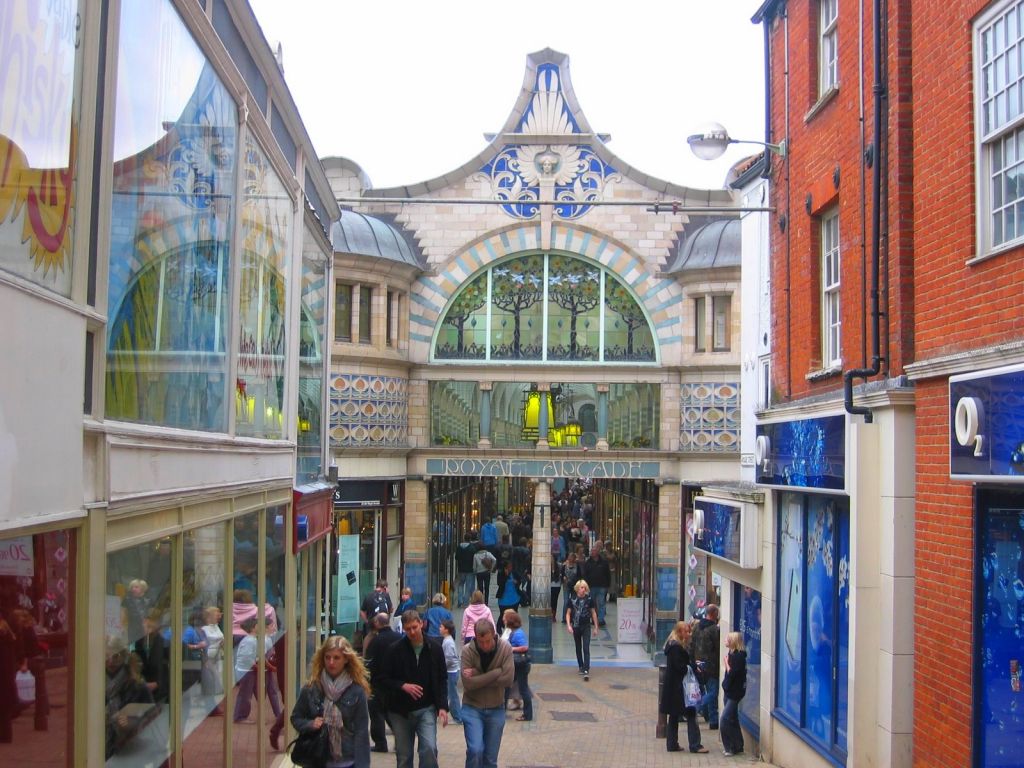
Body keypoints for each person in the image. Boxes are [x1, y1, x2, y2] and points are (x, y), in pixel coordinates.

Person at [377, 610, 448, 768]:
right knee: (404, 755)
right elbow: (382, 679)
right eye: (408, 629)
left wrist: (442, 706)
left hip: (426, 708)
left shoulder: (435, 648)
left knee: (429, 749)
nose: (412, 632)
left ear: (421, 624)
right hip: (400, 711)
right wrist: (403, 685)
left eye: (415, 627)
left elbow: (442, 679)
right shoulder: (394, 650)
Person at [290, 635, 372, 768]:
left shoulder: (356, 691)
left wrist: (363, 765)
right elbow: (296, 718)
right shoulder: (312, 688)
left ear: (346, 659)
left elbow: (361, 732)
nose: (331, 662)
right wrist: (310, 724)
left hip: (347, 760)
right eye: (327, 657)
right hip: (317, 758)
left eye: (336, 658)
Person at [460, 618, 514, 768]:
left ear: (494, 635)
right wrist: (496, 672)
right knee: (475, 750)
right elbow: (468, 684)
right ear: (475, 637)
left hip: (496, 707)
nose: (485, 645)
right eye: (481, 642)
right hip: (472, 707)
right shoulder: (467, 651)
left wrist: (478, 674)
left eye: (488, 641)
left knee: (490, 759)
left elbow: (508, 679)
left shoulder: (505, 649)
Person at [660, 620, 708, 753]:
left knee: (674, 715)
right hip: (679, 688)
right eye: (687, 631)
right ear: (680, 632)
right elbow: (680, 667)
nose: (690, 634)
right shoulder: (676, 648)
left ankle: (672, 744)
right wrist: (692, 666)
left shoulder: (674, 646)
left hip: (674, 687)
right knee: (691, 714)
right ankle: (695, 744)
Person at [104, 636, 155, 759]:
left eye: (115, 656)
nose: (110, 661)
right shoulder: (94, 684)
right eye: (107, 656)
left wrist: (133, 722)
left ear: (123, 657)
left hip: (133, 750)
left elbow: (152, 716)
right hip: (105, 751)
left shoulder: (137, 685)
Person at [233, 616, 282, 723]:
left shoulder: (254, 640)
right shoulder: (250, 641)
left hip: (251, 670)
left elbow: (259, 657)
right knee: (246, 694)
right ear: (253, 628)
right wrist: (264, 667)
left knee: (255, 694)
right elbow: (249, 659)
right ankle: (240, 716)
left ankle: (245, 716)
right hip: (246, 671)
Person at [363, 612, 401, 753]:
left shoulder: (376, 641)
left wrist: (366, 680)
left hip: (378, 683)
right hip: (395, 684)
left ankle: (380, 743)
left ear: (378, 623)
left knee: (376, 713)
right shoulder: (399, 638)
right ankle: (400, 739)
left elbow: (369, 663)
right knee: (392, 713)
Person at [693, 603, 721, 730]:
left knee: (703, 689)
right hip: (711, 665)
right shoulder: (715, 630)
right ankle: (696, 708)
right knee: (712, 692)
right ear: (715, 614)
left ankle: (712, 719)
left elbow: (692, 643)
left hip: (698, 662)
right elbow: (718, 648)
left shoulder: (697, 626)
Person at [720, 631, 747, 757]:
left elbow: (733, 674)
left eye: (727, 639)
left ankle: (729, 747)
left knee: (724, 719)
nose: (725, 640)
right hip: (728, 690)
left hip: (735, 692)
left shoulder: (739, 657)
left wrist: (726, 663)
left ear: (733, 642)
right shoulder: (731, 653)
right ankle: (738, 745)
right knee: (733, 718)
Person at [565, 579, 598, 681]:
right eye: (581, 588)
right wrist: (568, 625)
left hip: (586, 625)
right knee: (578, 647)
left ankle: (586, 669)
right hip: (576, 626)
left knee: (586, 647)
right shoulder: (572, 599)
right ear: (577, 589)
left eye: (584, 588)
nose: (582, 590)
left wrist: (596, 627)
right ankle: (581, 665)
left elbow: (593, 613)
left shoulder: (589, 599)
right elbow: (568, 613)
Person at [503, 612, 532, 722]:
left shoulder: (518, 633)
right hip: (516, 664)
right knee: (507, 686)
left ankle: (528, 714)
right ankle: (502, 710)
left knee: (523, 688)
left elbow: (524, 647)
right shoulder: (512, 632)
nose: (504, 621)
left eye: (505, 619)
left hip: (520, 665)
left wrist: (512, 649)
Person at [439, 619, 463, 725]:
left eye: (441, 627)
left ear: (446, 630)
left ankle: (458, 717)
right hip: (452, 670)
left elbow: (449, 658)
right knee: (451, 694)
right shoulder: (447, 640)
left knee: (453, 695)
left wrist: (441, 668)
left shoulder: (448, 642)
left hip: (451, 671)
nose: (439, 628)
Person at [582, 545, 611, 628]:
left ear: (598, 552)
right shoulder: (588, 563)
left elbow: (607, 574)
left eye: (594, 551)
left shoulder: (604, 562)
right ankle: (593, 618)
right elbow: (585, 574)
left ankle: (601, 619)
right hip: (591, 586)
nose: (592, 552)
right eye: (591, 551)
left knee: (601, 602)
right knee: (592, 603)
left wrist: (608, 584)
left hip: (602, 585)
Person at [495, 562, 522, 634]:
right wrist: (506, 576)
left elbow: (520, 580)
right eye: (508, 567)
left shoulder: (514, 573)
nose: (510, 568)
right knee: (502, 614)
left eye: (511, 567)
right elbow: (499, 583)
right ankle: (499, 626)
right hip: (504, 598)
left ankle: (513, 628)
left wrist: (517, 582)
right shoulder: (501, 573)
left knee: (514, 614)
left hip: (514, 598)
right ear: (505, 567)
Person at [455, 535, 478, 607]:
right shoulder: (472, 548)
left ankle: (460, 600)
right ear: (470, 539)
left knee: (460, 584)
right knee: (468, 586)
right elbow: (474, 558)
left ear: (464, 539)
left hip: (461, 569)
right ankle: (465, 602)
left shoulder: (459, 547)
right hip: (470, 570)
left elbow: (456, 557)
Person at [560, 552, 581, 621]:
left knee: (574, 601)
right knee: (566, 601)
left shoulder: (577, 566)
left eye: (572, 557)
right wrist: (563, 578)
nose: (570, 558)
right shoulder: (564, 566)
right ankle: (564, 617)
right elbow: (562, 574)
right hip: (566, 585)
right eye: (569, 557)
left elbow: (579, 576)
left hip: (574, 586)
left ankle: (573, 617)